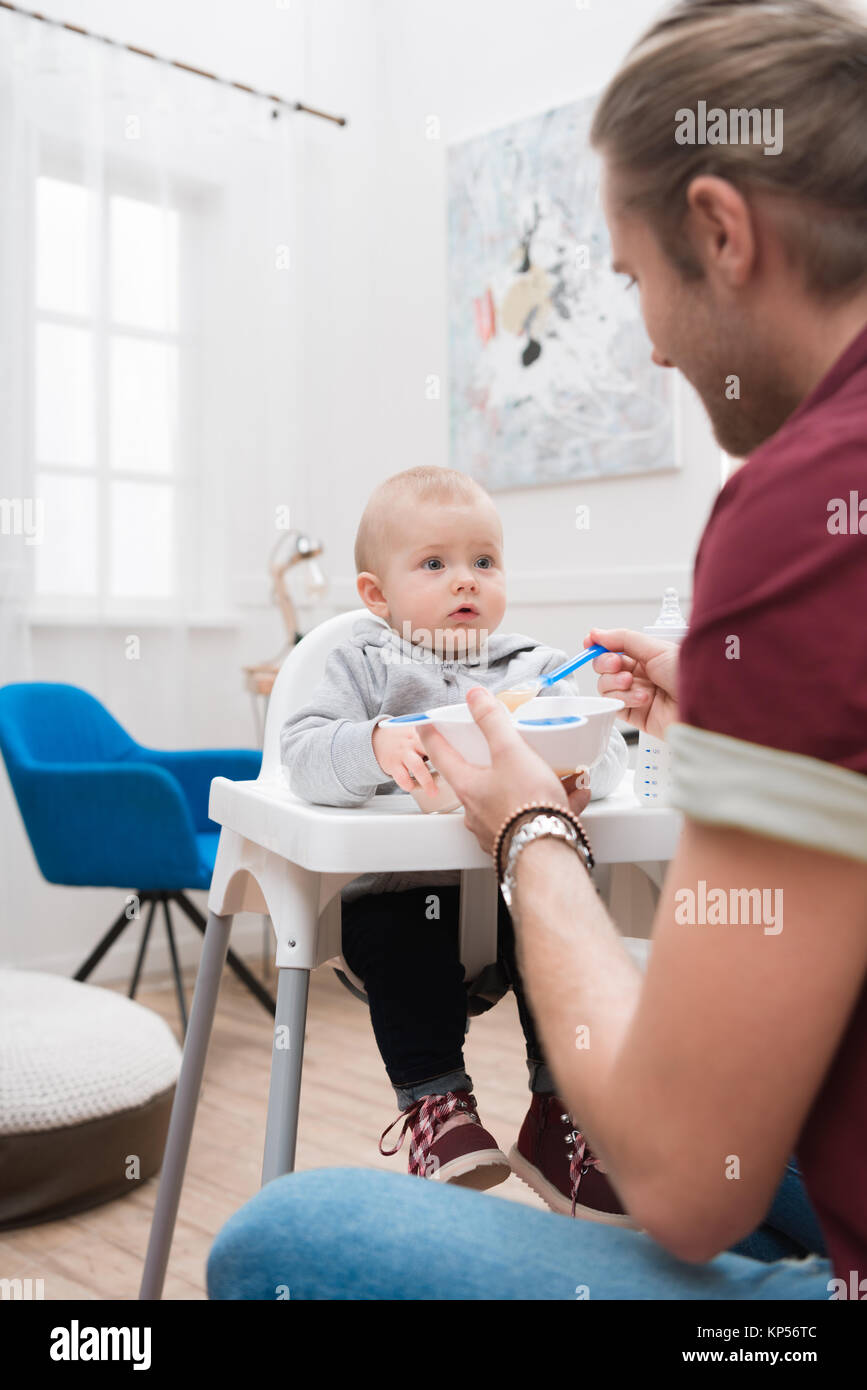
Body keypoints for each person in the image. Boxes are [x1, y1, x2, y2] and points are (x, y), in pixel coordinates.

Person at [207, 0, 867, 1298]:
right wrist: (745, 720)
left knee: (277, 1241)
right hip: (413, 909)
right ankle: (456, 1100)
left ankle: (554, 1111)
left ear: (720, 233)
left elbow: (684, 1181)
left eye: (630, 282)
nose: (655, 340)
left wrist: (525, 833)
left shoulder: (803, 509)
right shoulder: (347, 654)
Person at [280, 464, 630, 1220]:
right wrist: (372, 745)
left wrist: (574, 766)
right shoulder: (362, 665)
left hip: (517, 880)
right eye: (434, 564)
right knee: (386, 921)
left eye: (483, 561)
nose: (463, 580)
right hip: (404, 900)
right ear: (377, 596)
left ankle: (561, 1112)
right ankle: (438, 1108)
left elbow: (610, 754)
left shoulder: (534, 666)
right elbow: (300, 755)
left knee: (563, 909)